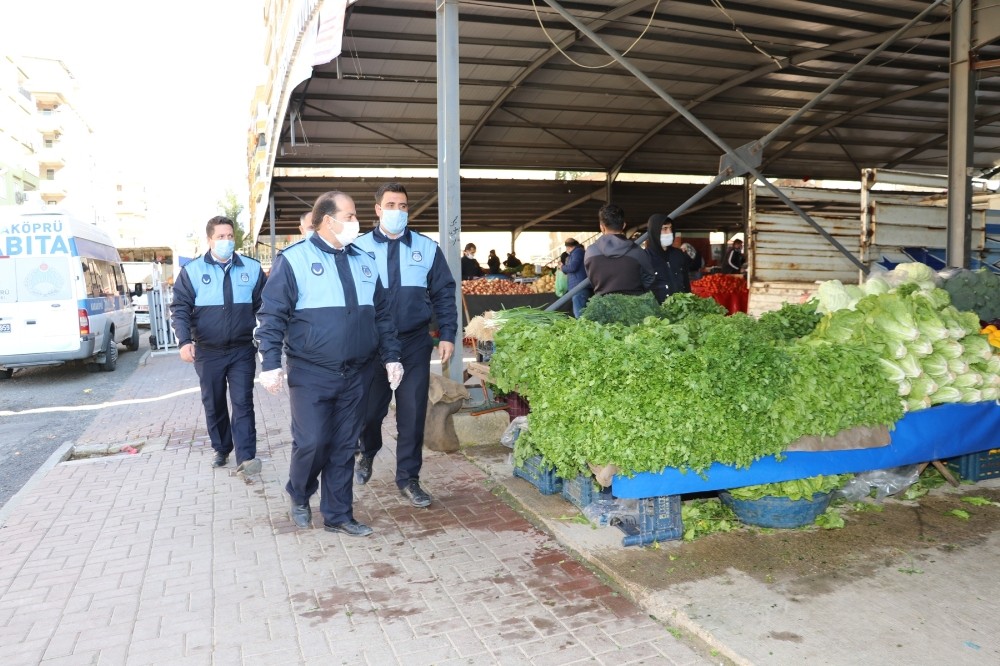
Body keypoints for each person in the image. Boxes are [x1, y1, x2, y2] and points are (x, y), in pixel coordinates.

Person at [255, 191, 402, 537]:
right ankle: (300, 494)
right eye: (349, 216)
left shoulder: (364, 260)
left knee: (343, 445)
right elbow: (272, 315)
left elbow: (382, 314)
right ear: (327, 221)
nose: (356, 223)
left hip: (357, 371)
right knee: (313, 441)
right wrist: (271, 363)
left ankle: (338, 514)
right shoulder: (293, 260)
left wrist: (392, 355)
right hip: (311, 372)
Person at [353, 182, 459, 508]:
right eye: (391, 204)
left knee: (412, 415)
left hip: (413, 343)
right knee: (369, 413)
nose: (397, 211)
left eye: (403, 205)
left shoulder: (426, 249)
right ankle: (368, 450)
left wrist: (448, 335)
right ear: (377, 209)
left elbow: (443, 293)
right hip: (372, 346)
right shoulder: (356, 248)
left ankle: (409, 479)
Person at [171, 216, 266, 473]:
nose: (226, 241)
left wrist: (267, 340)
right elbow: (180, 309)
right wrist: (184, 341)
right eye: (220, 237)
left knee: (243, 402)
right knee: (213, 402)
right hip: (208, 351)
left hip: (241, 350)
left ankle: (247, 457)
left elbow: (265, 307)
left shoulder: (252, 269)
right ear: (210, 240)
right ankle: (222, 448)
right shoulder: (192, 272)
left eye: (229, 236)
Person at [584, 203, 655, 296]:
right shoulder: (637, 251)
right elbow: (650, 277)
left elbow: (591, 279)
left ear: (602, 227)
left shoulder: (590, 252)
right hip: (634, 306)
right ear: (624, 225)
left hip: (603, 306)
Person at [645, 214, 691, 304]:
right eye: (665, 229)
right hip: (656, 312)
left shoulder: (679, 255)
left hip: (680, 309)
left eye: (671, 228)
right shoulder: (645, 257)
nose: (669, 232)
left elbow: (686, 283)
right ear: (655, 231)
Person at [561, 238, 590, 317]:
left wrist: (562, 267)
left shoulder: (578, 252)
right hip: (577, 286)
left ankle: (582, 328)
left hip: (579, 287)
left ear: (568, 247)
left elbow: (573, 267)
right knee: (580, 312)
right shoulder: (575, 253)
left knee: (579, 314)